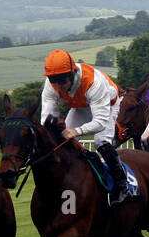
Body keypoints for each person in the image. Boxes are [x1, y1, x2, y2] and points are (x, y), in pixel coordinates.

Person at [42, 49, 129, 204]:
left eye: (62, 81)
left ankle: (122, 184)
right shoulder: (52, 85)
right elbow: (48, 119)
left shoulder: (93, 82)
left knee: (101, 142)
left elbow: (100, 122)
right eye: (54, 80)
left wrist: (76, 131)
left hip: (108, 104)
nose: (58, 86)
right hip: (80, 107)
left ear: (72, 74)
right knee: (61, 142)